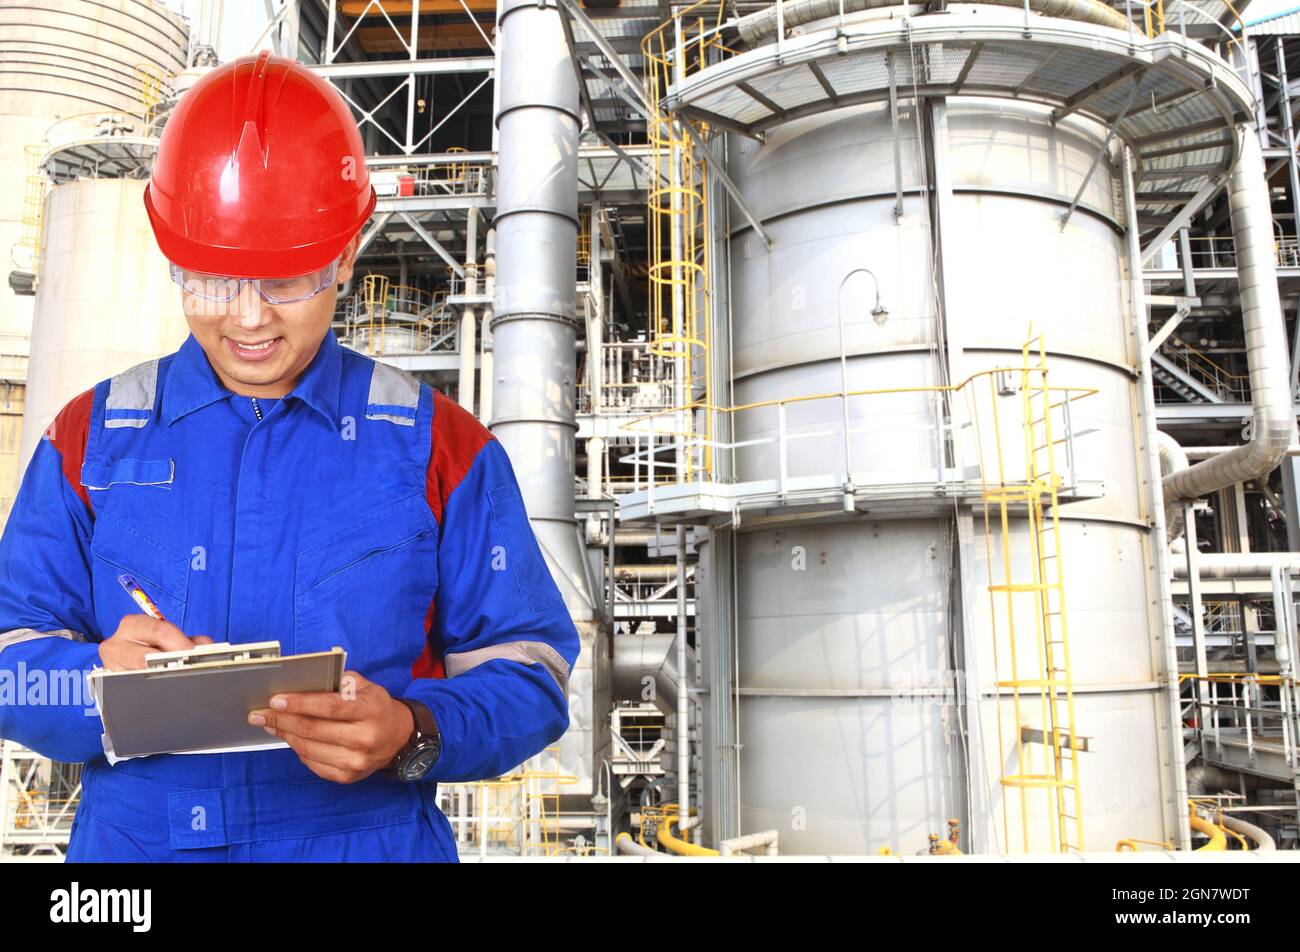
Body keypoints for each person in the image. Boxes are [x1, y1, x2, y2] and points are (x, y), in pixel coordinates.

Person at [0, 51, 579, 862]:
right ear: (172, 258)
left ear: (345, 256)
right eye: (212, 279)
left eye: (287, 281)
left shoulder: (441, 446)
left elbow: (532, 668)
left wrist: (414, 731)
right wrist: (96, 682)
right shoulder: (86, 439)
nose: (248, 320)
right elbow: (9, 664)